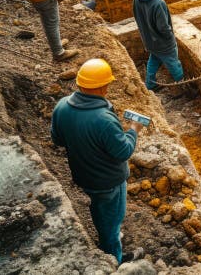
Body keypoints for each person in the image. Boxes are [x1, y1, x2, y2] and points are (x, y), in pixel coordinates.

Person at [51, 58, 144, 264]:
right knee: (111, 222)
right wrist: (133, 130)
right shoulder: (103, 118)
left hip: (85, 176)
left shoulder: (62, 106)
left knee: (100, 210)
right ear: (104, 87)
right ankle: (114, 258)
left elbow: (57, 139)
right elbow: (124, 151)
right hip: (108, 181)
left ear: (79, 83)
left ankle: (108, 238)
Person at [132, 0, 184, 90]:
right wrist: (170, 39)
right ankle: (183, 85)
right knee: (173, 63)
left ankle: (150, 84)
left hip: (149, 40)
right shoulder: (157, 3)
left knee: (154, 59)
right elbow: (163, 27)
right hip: (163, 43)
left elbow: (136, 15)